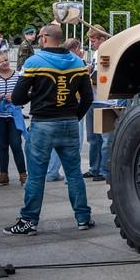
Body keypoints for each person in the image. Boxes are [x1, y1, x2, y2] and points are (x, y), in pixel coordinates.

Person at [3, 24, 94, 235]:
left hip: (43, 124)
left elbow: (17, 98)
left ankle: (29, 222)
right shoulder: (78, 62)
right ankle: (83, 218)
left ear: (44, 38)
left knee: (36, 176)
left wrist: (34, 96)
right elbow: (88, 98)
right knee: (74, 174)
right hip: (69, 123)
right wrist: (74, 117)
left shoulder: (34, 62)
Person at [44, 38, 86, 183]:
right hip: (73, 105)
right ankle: (71, 175)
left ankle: (52, 172)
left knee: (57, 142)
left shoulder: (55, 61)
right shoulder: (77, 62)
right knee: (74, 142)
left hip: (57, 104)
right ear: (76, 48)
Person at [0, 50, 27, 187]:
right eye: (0, 61)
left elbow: (25, 95)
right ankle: (3, 175)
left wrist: (15, 97)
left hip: (14, 116)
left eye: (5, 59)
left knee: (16, 144)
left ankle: (23, 175)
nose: (4, 63)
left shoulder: (18, 76)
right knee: (2, 146)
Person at [85, 25, 114, 181]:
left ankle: (104, 171)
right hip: (94, 100)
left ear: (102, 39)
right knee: (93, 139)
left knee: (105, 141)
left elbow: (104, 75)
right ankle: (94, 169)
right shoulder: (97, 53)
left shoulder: (109, 51)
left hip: (106, 101)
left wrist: (88, 76)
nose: (91, 44)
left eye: (93, 40)